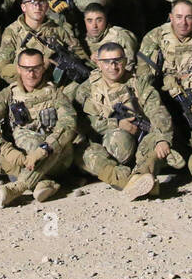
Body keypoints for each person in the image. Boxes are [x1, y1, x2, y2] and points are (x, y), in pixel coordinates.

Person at [73, 42, 180, 200]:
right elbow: (80, 123)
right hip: (106, 146)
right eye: (107, 62)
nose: (113, 67)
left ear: (125, 61)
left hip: (140, 144)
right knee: (91, 152)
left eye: (118, 61)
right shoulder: (85, 90)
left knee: (154, 139)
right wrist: (116, 124)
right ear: (99, 63)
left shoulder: (138, 83)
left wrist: (162, 138)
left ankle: (141, 175)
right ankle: (131, 181)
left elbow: (158, 111)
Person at [0, 48, 78, 207]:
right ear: (18, 69)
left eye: (36, 68)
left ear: (43, 68)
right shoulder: (9, 94)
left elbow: (69, 123)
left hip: (52, 156)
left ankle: (20, 186)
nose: (31, 74)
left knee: (56, 140)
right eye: (26, 69)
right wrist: (5, 149)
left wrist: (45, 149)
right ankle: (45, 183)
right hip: (21, 159)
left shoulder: (54, 93)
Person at [0, 0, 90, 87]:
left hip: (59, 87)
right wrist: (36, 67)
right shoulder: (12, 32)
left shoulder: (57, 30)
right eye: (32, 2)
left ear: (46, 6)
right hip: (26, 88)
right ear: (23, 7)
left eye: (41, 2)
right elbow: (4, 69)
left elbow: (80, 55)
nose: (37, 7)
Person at [138, 0, 192, 98]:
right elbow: (144, 75)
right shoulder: (155, 36)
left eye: (188, 17)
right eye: (179, 17)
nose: (183, 23)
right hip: (163, 91)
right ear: (171, 17)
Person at [82, 3, 138, 71]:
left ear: (106, 19)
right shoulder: (82, 42)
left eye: (99, 20)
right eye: (89, 21)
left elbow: (128, 68)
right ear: (84, 21)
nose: (94, 26)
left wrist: (103, 60)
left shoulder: (120, 37)